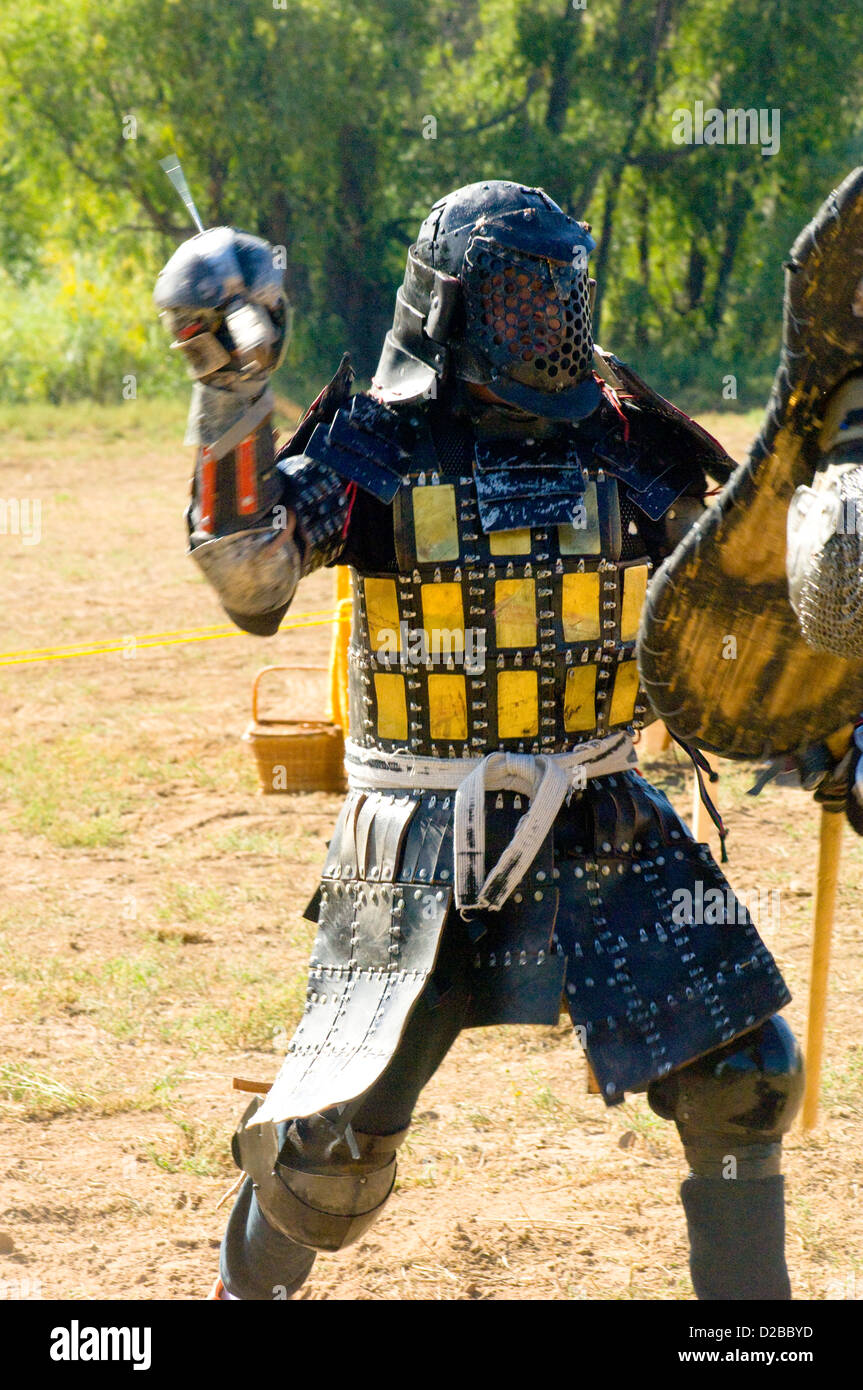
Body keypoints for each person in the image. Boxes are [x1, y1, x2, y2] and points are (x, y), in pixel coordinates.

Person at [155, 181, 801, 1302]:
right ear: (449, 308)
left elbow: (731, 603)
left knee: (742, 1076)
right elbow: (250, 572)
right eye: (518, 301)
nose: (549, 325)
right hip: (419, 838)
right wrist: (231, 393)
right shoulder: (378, 447)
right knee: (333, 1154)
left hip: (601, 809)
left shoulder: (623, 441)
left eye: (561, 296)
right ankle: (239, 1294)